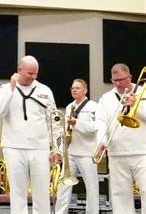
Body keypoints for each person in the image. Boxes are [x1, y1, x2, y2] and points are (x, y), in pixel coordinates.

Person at [0, 55, 61, 214]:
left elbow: (54, 122)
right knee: (17, 194)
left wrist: (57, 149)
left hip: (39, 148)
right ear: (19, 70)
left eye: (36, 73)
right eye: (30, 73)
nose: (33, 77)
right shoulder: (5, 89)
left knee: (42, 194)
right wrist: (11, 88)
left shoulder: (45, 90)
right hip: (13, 147)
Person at [95, 63, 146, 214]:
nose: (118, 83)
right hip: (117, 153)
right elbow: (101, 122)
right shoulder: (106, 98)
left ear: (130, 77)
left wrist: (136, 104)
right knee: (120, 195)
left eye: (122, 79)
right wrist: (101, 141)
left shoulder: (143, 93)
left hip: (142, 151)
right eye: (114, 80)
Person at [55, 79, 99, 214]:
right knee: (64, 185)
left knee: (91, 187)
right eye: (72, 88)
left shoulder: (94, 106)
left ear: (85, 90)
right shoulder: (69, 107)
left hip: (87, 152)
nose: (74, 90)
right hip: (71, 153)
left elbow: (95, 127)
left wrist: (76, 123)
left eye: (77, 88)